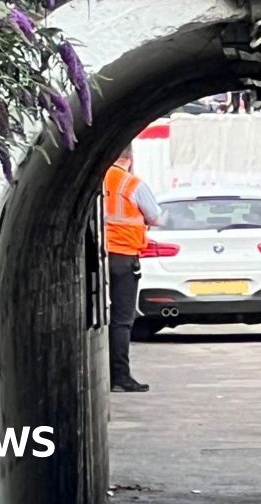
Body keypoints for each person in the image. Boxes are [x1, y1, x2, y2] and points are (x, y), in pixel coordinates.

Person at [103, 144, 161, 393]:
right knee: (122, 320)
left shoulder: (98, 180)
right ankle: (120, 377)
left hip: (99, 255)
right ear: (129, 158)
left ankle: (113, 375)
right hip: (124, 256)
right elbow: (155, 217)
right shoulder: (131, 184)